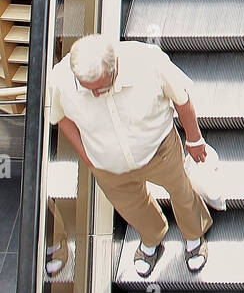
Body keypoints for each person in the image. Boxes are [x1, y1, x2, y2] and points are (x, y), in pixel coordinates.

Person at [48, 34, 213, 278]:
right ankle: (152, 237)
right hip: (108, 166)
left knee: (181, 192)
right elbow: (59, 116)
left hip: (159, 152)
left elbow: (182, 98)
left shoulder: (148, 61)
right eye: (87, 89)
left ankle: (193, 235)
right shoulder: (60, 80)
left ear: (115, 67)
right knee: (132, 207)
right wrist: (87, 156)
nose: (95, 95)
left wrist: (195, 139)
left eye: (101, 88)